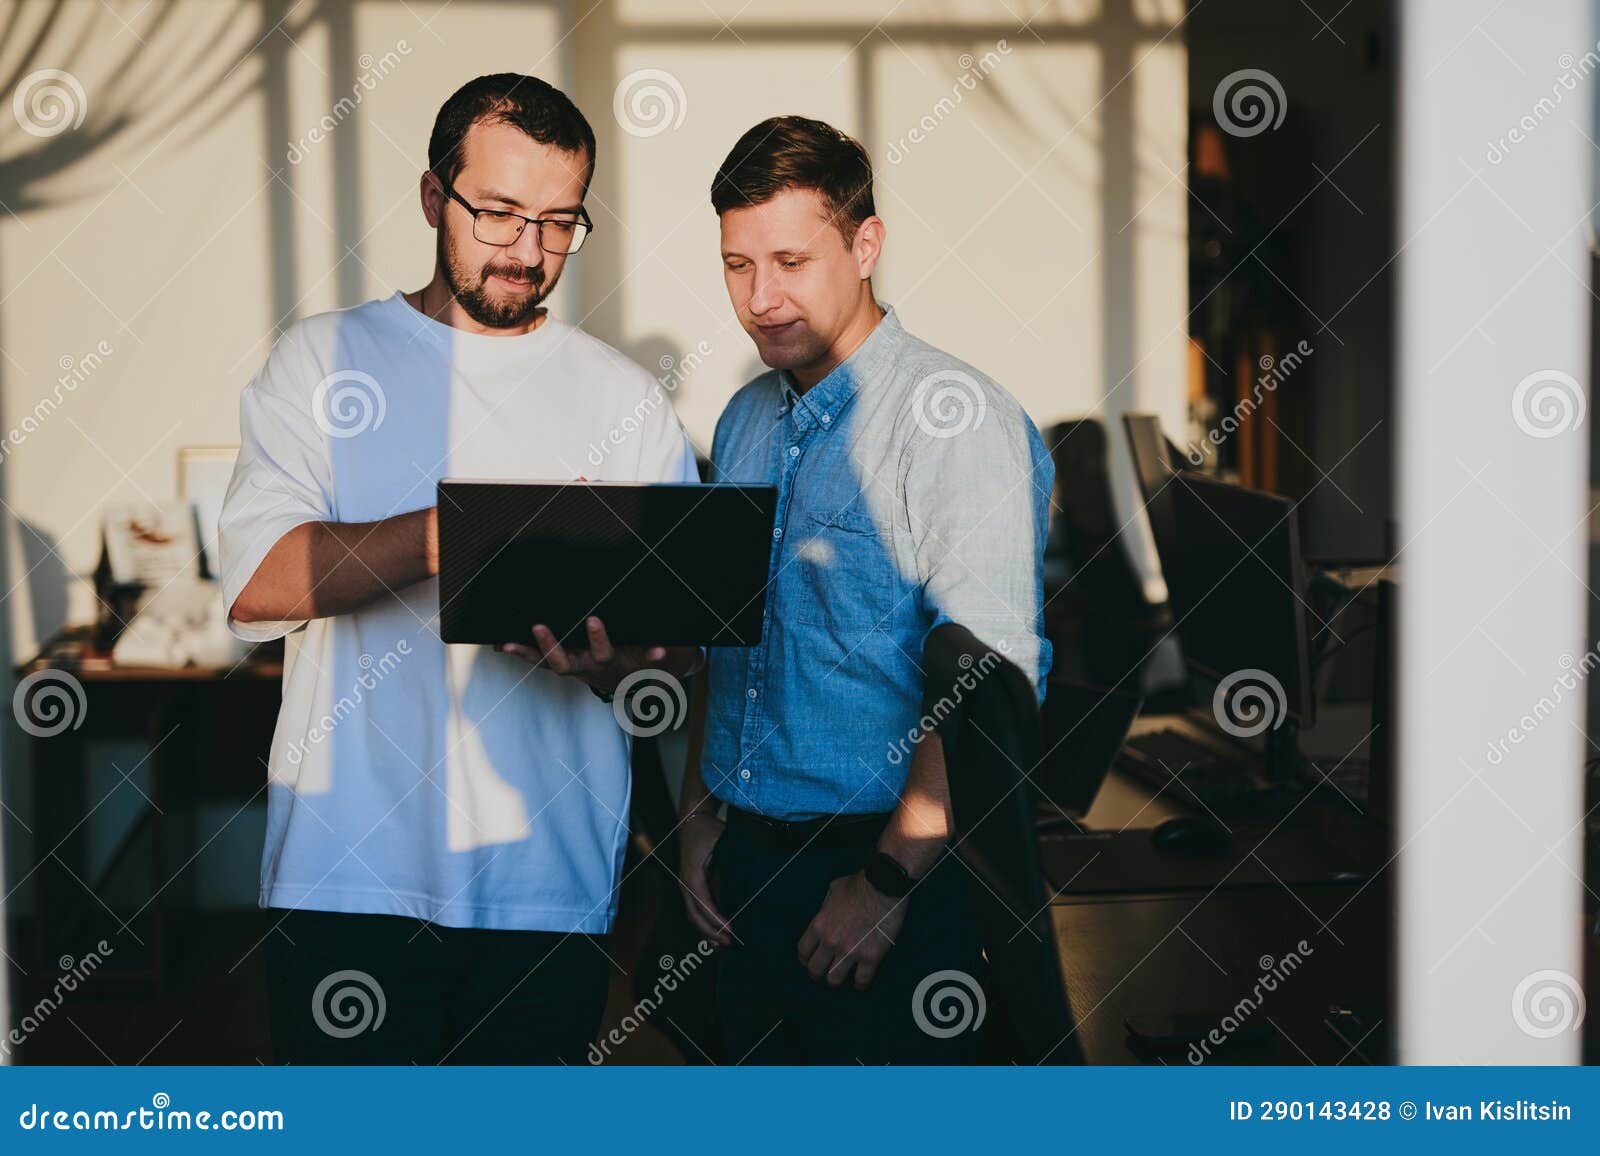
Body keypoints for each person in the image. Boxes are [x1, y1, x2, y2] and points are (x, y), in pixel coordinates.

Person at [219, 73, 699, 1064]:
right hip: (343, 877)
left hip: (546, 884)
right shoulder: (322, 360)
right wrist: (465, 530)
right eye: (499, 213)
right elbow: (259, 582)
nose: (527, 249)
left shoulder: (627, 401)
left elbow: (679, 654)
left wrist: (614, 662)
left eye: (559, 223)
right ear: (437, 197)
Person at [675, 116, 1054, 1063]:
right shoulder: (744, 421)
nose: (760, 299)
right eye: (736, 266)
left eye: (791, 261)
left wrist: (885, 884)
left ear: (866, 245)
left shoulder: (955, 426)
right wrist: (696, 821)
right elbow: (728, 640)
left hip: (884, 874)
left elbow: (985, 686)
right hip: (744, 865)